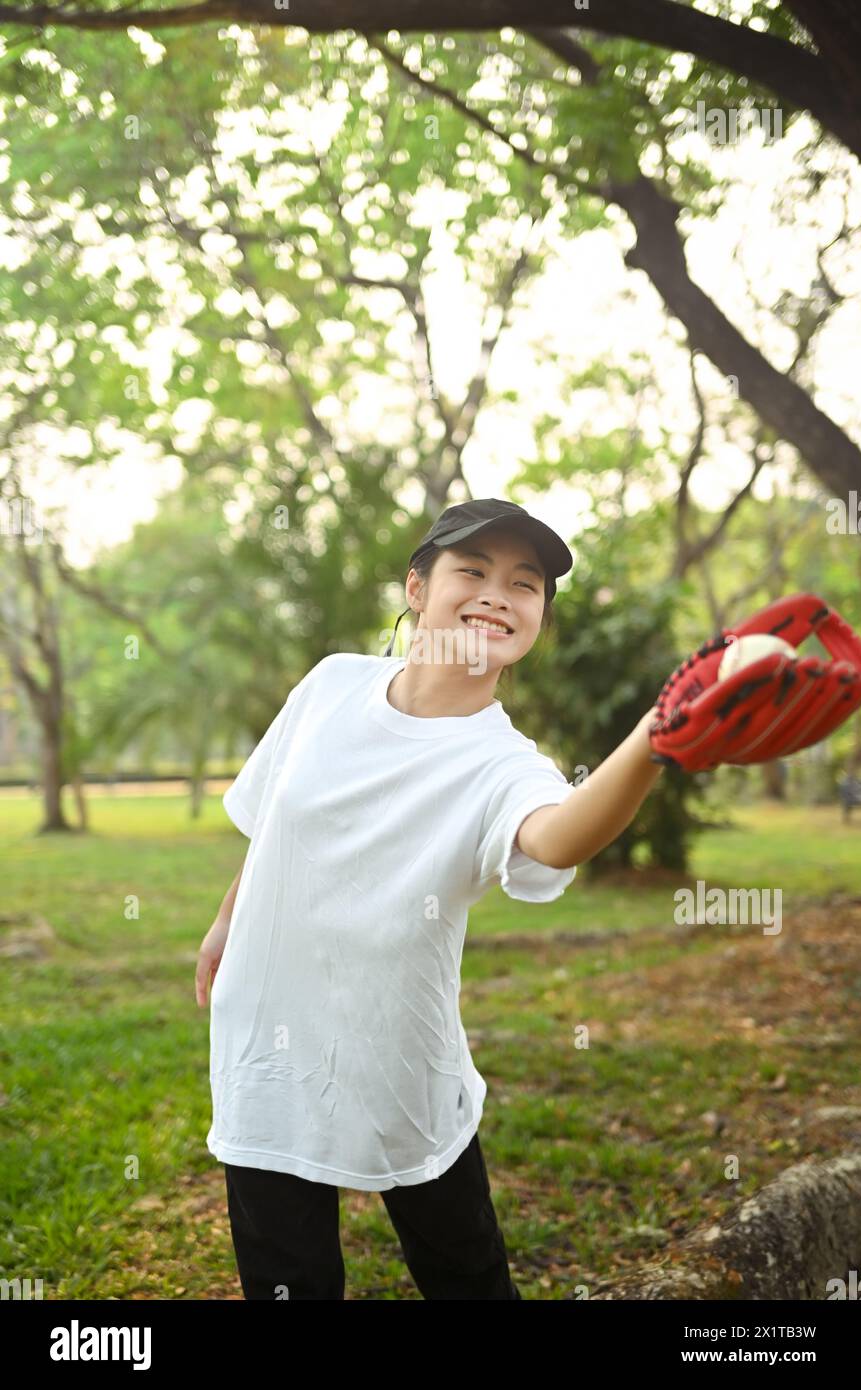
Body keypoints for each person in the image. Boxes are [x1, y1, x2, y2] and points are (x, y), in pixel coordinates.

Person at [195, 498, 663, 1300]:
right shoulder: (332, 684)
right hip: (264, 1046)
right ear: (418, 588)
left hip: (402, 1067)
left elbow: (558, 837)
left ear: (538, 619)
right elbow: (275, 819)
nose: (497, 594)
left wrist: (657, 738)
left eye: (525, 585)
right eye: (472, 571)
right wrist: (224, 923)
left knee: (467, 1281)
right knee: (286, 1280)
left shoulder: (507, 765)